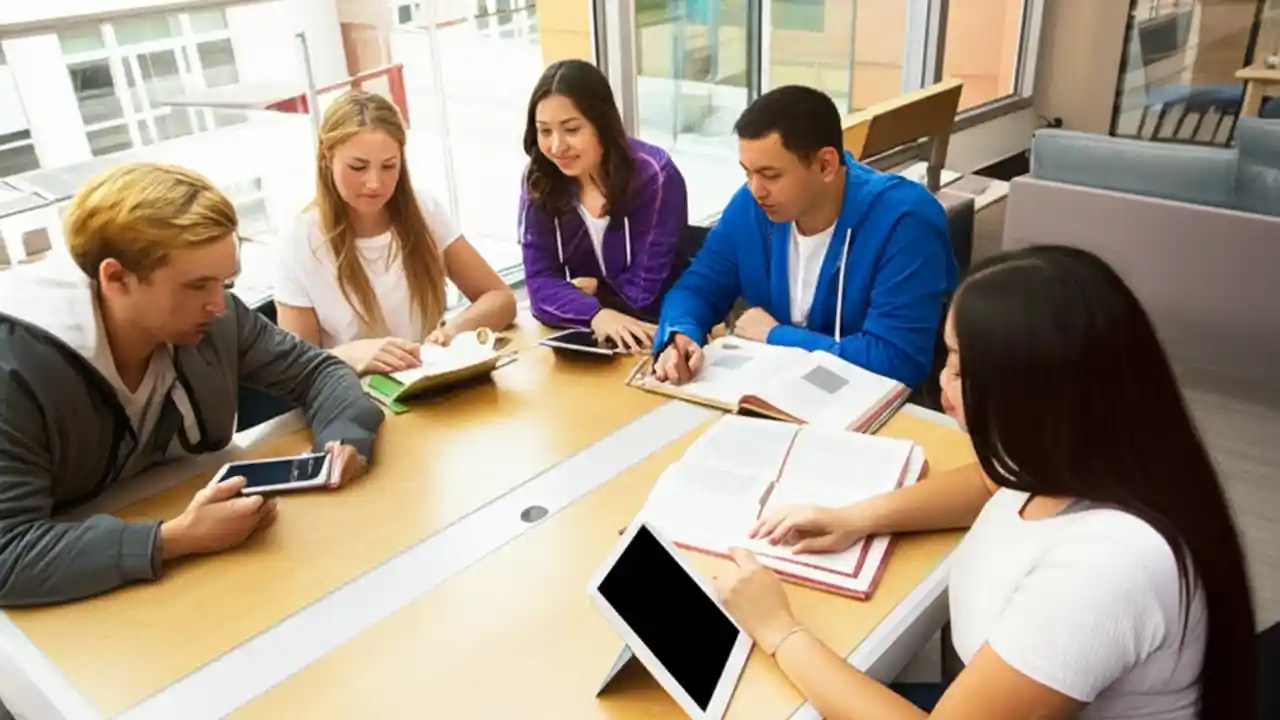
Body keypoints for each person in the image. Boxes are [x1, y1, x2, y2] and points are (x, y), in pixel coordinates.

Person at [713, 246, 1256, 719]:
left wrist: (780, 629)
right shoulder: (1078, 457)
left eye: (960, 366)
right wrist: (856, 517)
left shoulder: (1108, 568)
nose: (941, 381)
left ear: (1033, 392)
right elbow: (993, 485)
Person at [0, 164, 384, 607]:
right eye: (197, 285)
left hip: (162, 576)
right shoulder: (16, 371)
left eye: (225, 282)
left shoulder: (215, 315)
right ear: (116, 279)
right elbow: (8, 554)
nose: (219, 304)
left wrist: (345, 438)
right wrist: (174, 539)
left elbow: (320, 371)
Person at [652, 85, 955, 388]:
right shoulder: (750, 207)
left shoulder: (906, 221)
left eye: (770, 175)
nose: (756, 190)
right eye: (748, 173)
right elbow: (697, 289)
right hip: (780, 395)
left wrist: (777, 337)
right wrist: (679, 335)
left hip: (877, 414)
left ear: (826, 165)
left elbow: (897, 361)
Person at [275, 90, 516, 376]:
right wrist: (351, 355)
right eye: (358, 167)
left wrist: (453, 331)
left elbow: (500, 298)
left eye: (389, 166)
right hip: (355, 395)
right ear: (327, 158)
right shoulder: (301, 240)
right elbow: (296, 369)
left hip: (427, 382)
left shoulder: (425, 210)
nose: (375, 182)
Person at [520, 59, 689, 352]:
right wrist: (596, 314)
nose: (557, 147)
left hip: (661, 340)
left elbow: (643, 294)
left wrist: (588, 294)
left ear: (602, 123)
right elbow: (538, 287)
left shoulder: (655, 176)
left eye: (571, 129)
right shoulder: (540, 178)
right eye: (545, 131)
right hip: (593, 343)